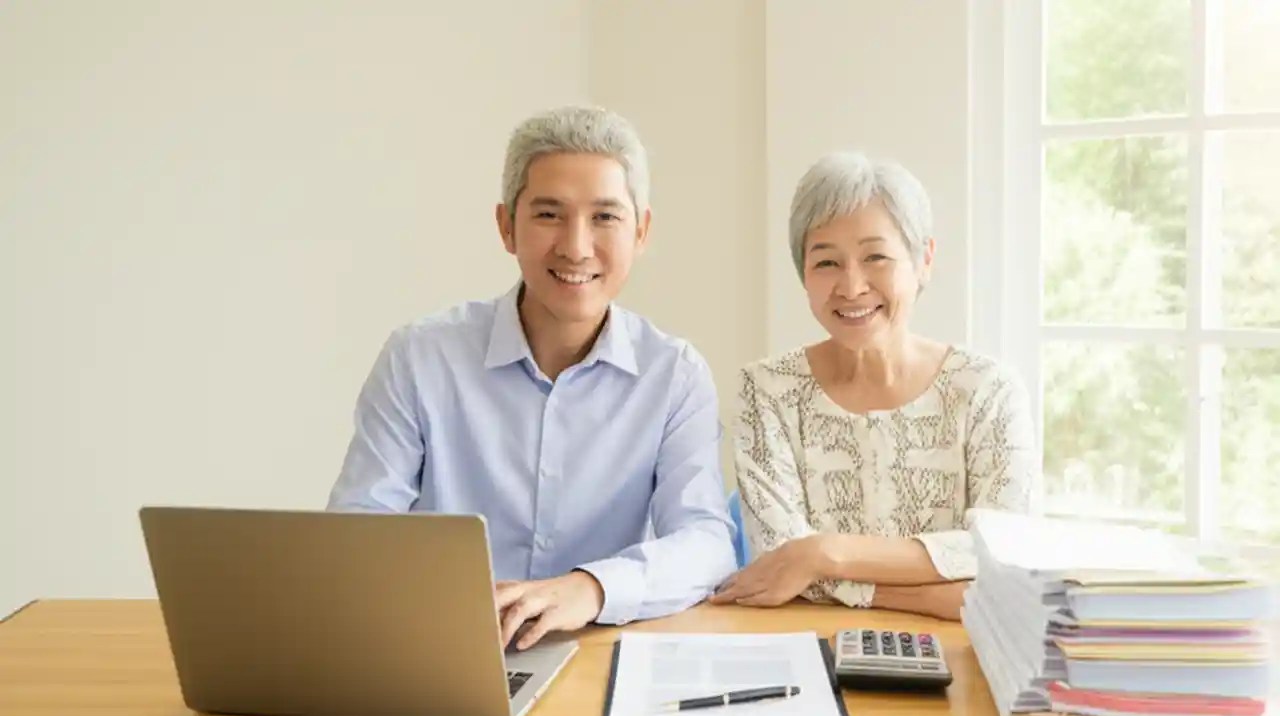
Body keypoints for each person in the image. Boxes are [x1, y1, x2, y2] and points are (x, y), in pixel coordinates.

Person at [328, 106, 736, 648]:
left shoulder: (674, 374)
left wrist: (589, 587)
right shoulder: (420, 357)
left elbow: (706, 543)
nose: (576, 246)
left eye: (605, 217)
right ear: (506, 226)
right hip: (440, 650)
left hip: (595, 651)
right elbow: (355, 535)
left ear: (641, 231)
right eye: (549, 214)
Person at [711, 152, 1039, 620]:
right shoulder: (766, 391)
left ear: (924, 259)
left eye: (876, 257)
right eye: (826, 262)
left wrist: (823, 554)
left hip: (964, 663)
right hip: (809, 648)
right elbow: (778, 567)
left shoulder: (989, 391)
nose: (851, 286)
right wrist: (940, 593)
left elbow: (1005, 559)